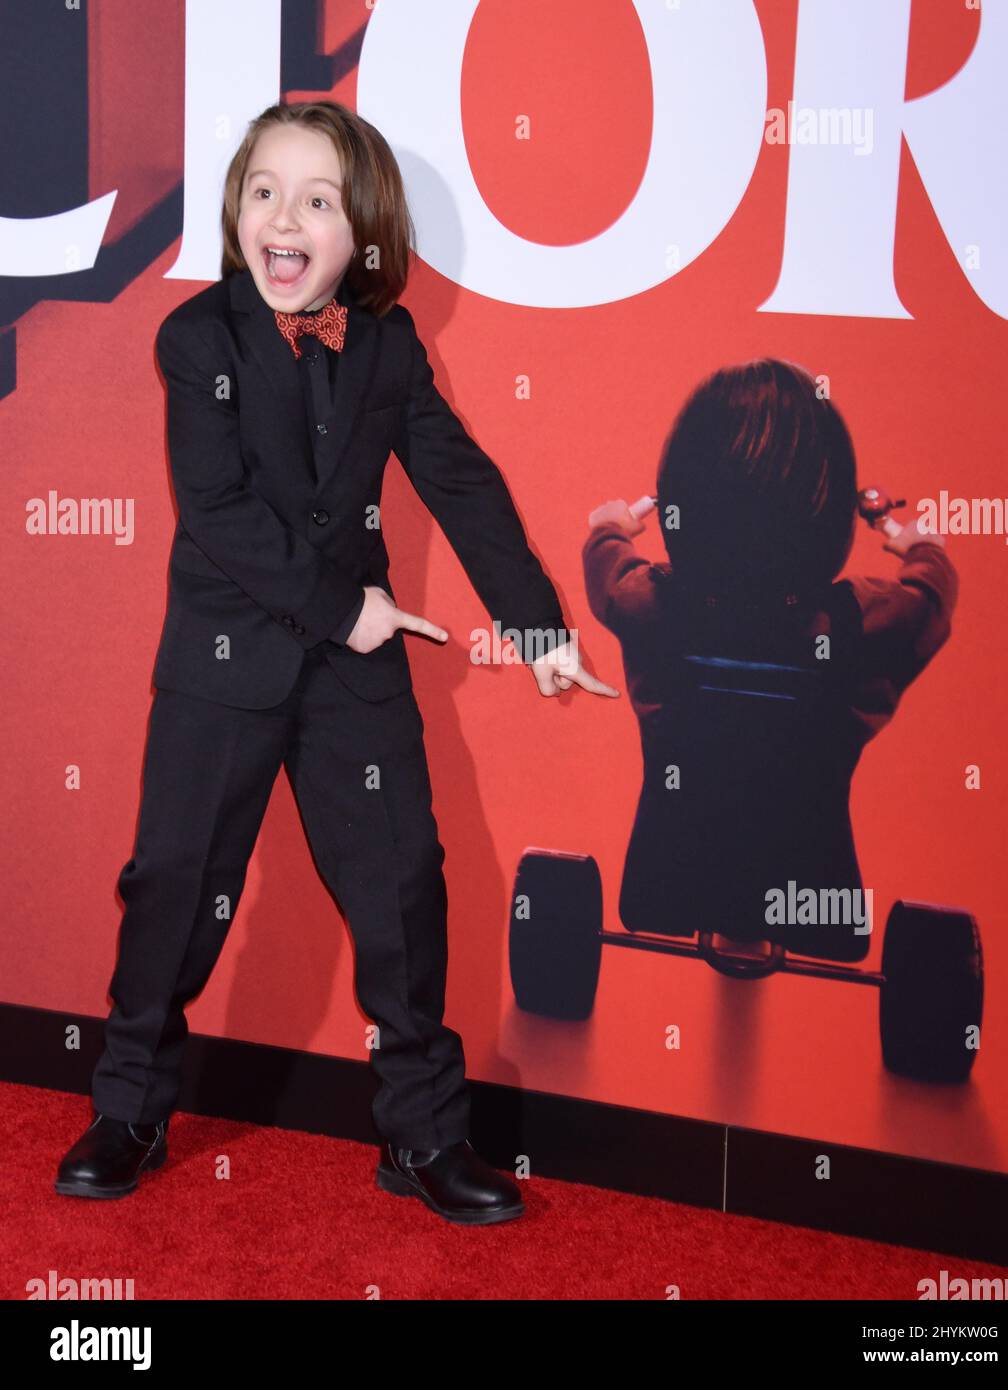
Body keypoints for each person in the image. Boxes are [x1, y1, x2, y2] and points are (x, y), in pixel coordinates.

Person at [55, 99, 617, 1225]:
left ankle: (422, 1137)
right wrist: (343, 606)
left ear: (360, 229)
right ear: (236, 209)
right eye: (265, 190)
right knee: (175, 890)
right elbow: (214, 509)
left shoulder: (390, 346)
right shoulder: (195, 340)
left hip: (353, 678)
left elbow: (458, 479)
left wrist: (541, 628)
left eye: (318, 199)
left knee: (404, 887)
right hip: (227, 659)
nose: (285, 217)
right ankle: (129, 1110)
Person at [582, 359, 957, 957]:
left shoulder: (651, 602)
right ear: (830, 517)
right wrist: (908, 536)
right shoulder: (863, 622)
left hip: (671, 880)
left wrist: (611, 527)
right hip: (813, 890)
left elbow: (609, 567)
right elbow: (931, 600)